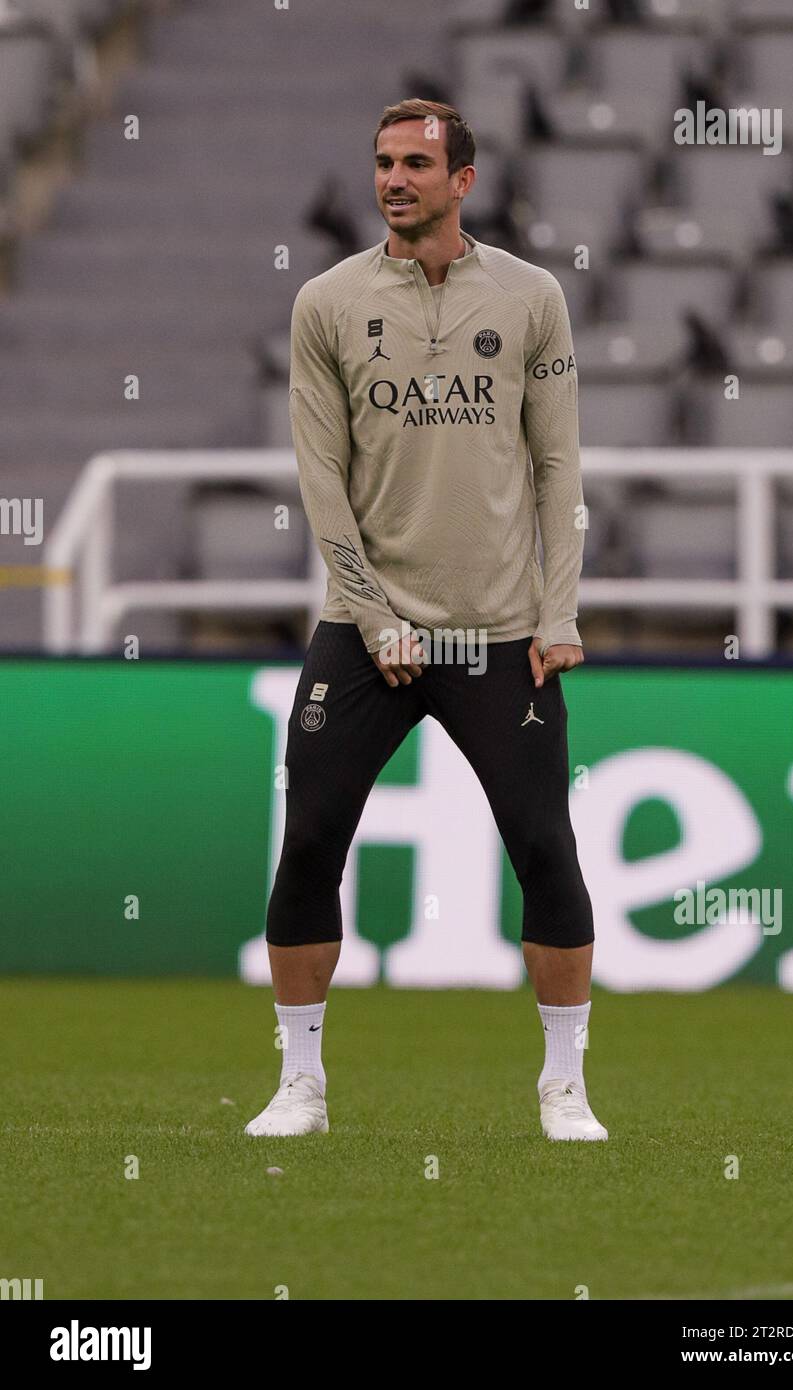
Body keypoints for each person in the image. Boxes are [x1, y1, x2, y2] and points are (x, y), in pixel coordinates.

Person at [245, 98, 606, 1143]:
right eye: (381, 163)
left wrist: (557, 607)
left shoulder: (532, 299)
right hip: (365, 634)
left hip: (499, 632)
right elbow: (321, 480)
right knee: (309, 838)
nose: (393, 179)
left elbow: (556, 464)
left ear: (464, 181)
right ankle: (299, 1084)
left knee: (544, 845)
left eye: (415, 163)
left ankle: (563, 1086)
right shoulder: (326, 301)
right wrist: (371, 613)